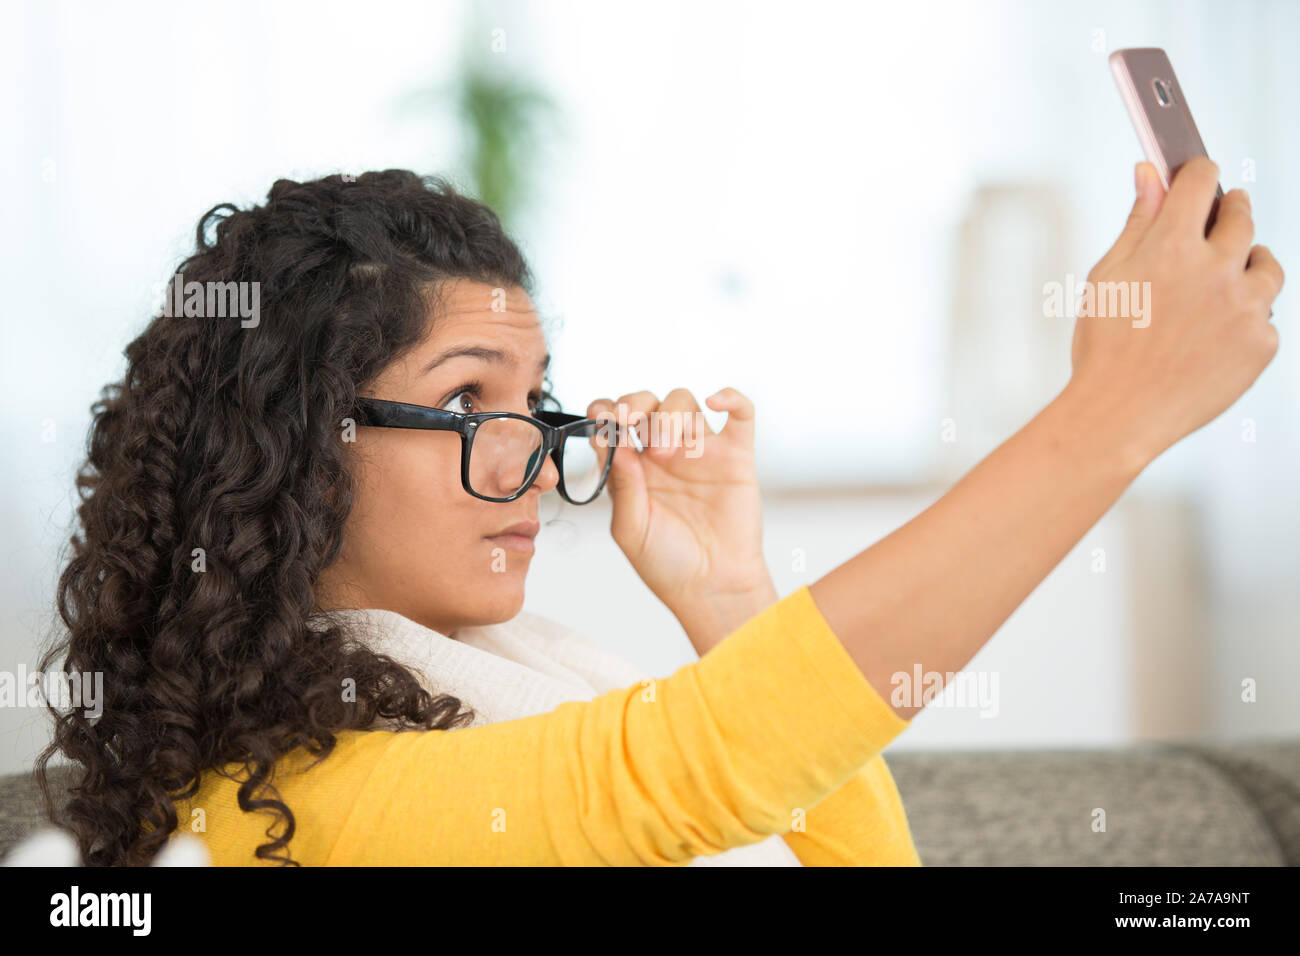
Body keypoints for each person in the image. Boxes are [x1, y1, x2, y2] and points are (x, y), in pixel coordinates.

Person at [35, 159, 1281, 865]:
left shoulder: (480, 690)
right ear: (298, 450)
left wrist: (726, 592)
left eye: (538, 400)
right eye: (469, 398)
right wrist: (1111, 416)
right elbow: (699, 764)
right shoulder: (295, 808)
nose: (529, 456)